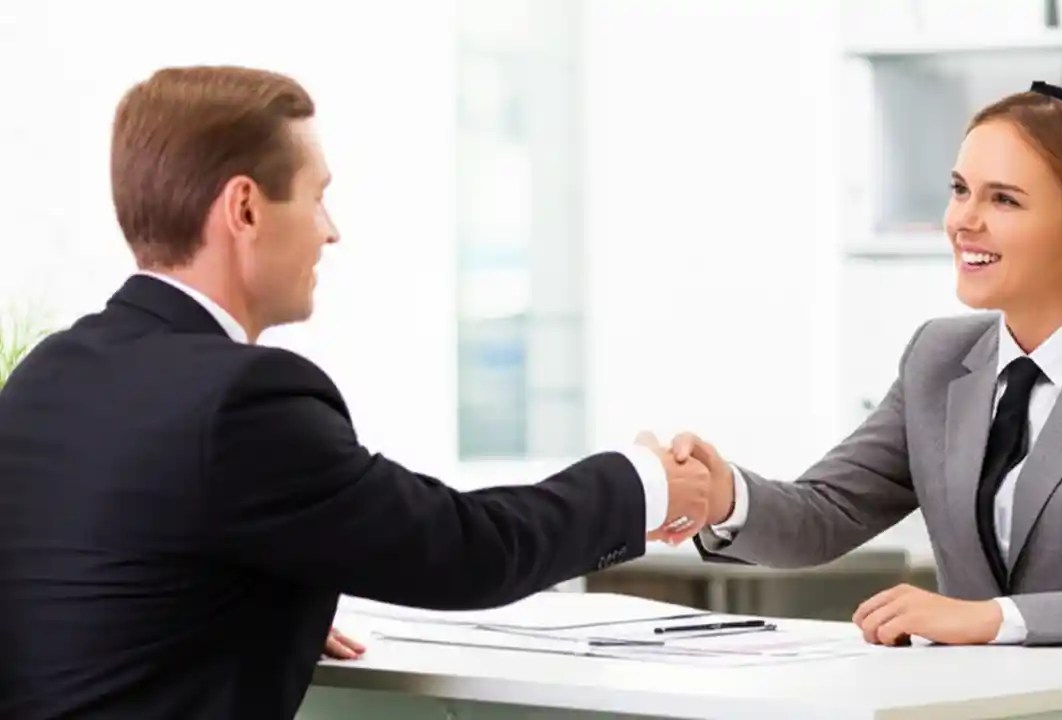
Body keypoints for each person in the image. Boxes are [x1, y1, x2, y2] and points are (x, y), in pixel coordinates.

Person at [0, 65, 710, 720]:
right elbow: (466, 552)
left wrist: (273, 601)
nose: (329, 232)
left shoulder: (47, 375)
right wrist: (643, 485)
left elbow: (107, 587)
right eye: (318, 196)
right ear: (244, 209)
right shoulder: (240, 401)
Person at [663, 82, 1062, 720]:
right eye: (960, 190)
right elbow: (827, 512)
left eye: (1003, 199)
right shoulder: (940, 357)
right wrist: (723, 496)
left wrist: (994, 619)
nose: (963, 221)